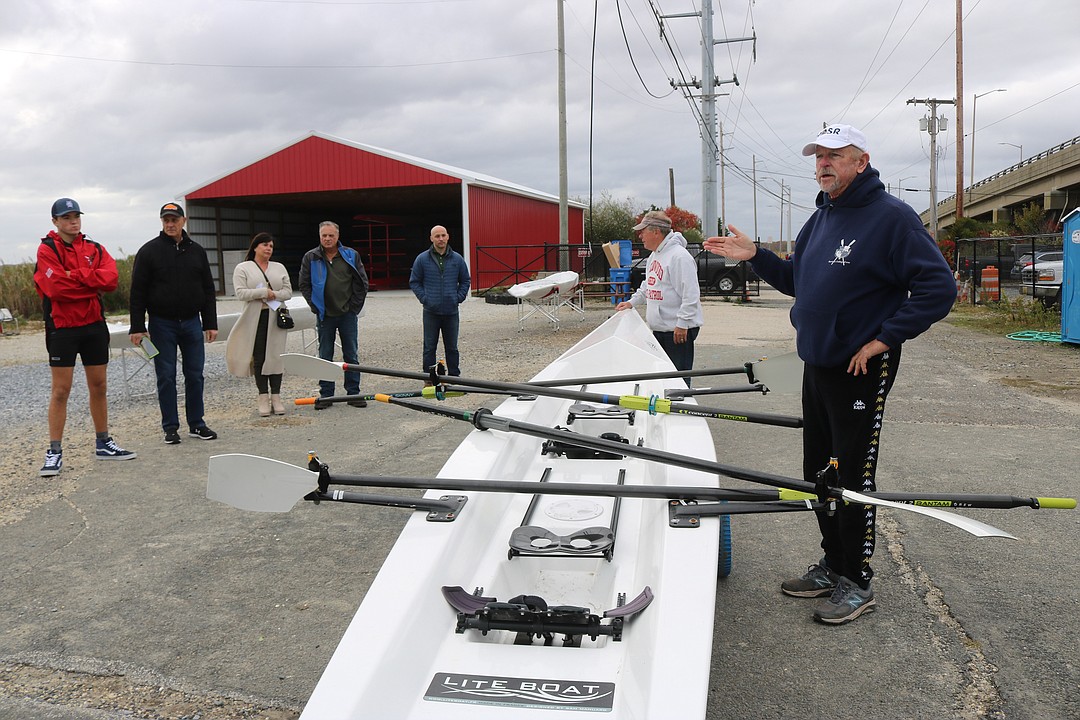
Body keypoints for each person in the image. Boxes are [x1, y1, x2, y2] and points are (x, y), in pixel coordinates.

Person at [703, 123, 956, 624]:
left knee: (854, 475)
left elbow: (938, 288)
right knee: (818, 471)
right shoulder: (821, 219)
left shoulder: (892, 219)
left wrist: (884, 338)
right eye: (819, 155)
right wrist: (756, 257)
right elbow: (798, 280)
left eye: (835, 155)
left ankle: (857, 581)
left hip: (861, 366)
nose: (824, 163)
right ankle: (833, 564)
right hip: (817, 363)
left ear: (861, 161)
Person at [33, 198, 136, 476]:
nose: (73, 221)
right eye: (66, 217)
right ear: (55, 221)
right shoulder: (47, 249)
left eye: (76, 216)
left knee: (99, 385)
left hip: (93, 325)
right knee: (61, 390)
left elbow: (111, 281)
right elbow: (56, 289)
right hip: (63, 327)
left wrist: (76, 275)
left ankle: (103, 442)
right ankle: (54, 451)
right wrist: (91, 283)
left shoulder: (95, 248)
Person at [128, 202, 219, 444]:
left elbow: (208, 290)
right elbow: (137, 292)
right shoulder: (149, 251)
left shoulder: (197, 251)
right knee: (166, 376)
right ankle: (170, 426)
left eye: (174, 220)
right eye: (166, 220)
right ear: (161, 222)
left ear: (183, 221)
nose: (170, 224)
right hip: (162, 324)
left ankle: (197, 424)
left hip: (191, 323)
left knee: (195, 375)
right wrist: (137, 326)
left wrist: (210, 322)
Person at [616, 210, 703, 385]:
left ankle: (681, 408)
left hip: (677, 330)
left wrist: (682, 323)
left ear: (656, 232)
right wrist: (631, 302)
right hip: (661, 329)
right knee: (662, 378)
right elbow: (648, 285)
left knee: (678, 380)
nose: (640, 236)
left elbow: (691, 294)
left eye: (643, 231)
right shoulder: (654, 256)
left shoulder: (679, 256)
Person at [298, 221, 369, 406]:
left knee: (351, 354)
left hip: (347, 314)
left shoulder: (350, 255)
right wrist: (315, 306)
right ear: (319, 236)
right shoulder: (311, 257)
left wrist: (354, 307)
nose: (327, 239)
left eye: (331, 235)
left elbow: (362, 283)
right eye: (324, 236)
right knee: (325, 355)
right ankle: (327, 395)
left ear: (337, 236)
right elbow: (304, 284)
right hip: (325, 315)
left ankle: (353, 394)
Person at [225, 232, 294, 416]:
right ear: (255, 247)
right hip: (255, 318)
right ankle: (263, 397)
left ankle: (277, 397)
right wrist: (264, 292)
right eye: (265, 245)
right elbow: (241, 293)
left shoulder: (279, 267)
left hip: (276, 317)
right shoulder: (243, 268)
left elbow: (288, 292)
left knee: (276, 356)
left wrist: (274, 295)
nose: (268, 249)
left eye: (271, 246)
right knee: (260, 356)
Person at [409, 225, 471, 378]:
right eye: (437, 236)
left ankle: (455, 378)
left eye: (443, 235)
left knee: (452, 348)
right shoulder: (422, 259)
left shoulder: (457, 259)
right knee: (429, 347)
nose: (441, 239)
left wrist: (458, 298)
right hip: (431, 312)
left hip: (451, 311)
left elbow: (465, 280)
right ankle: (429, 378)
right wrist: (425, 299)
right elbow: (414, 281)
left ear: (448, 236)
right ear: (431, 238)